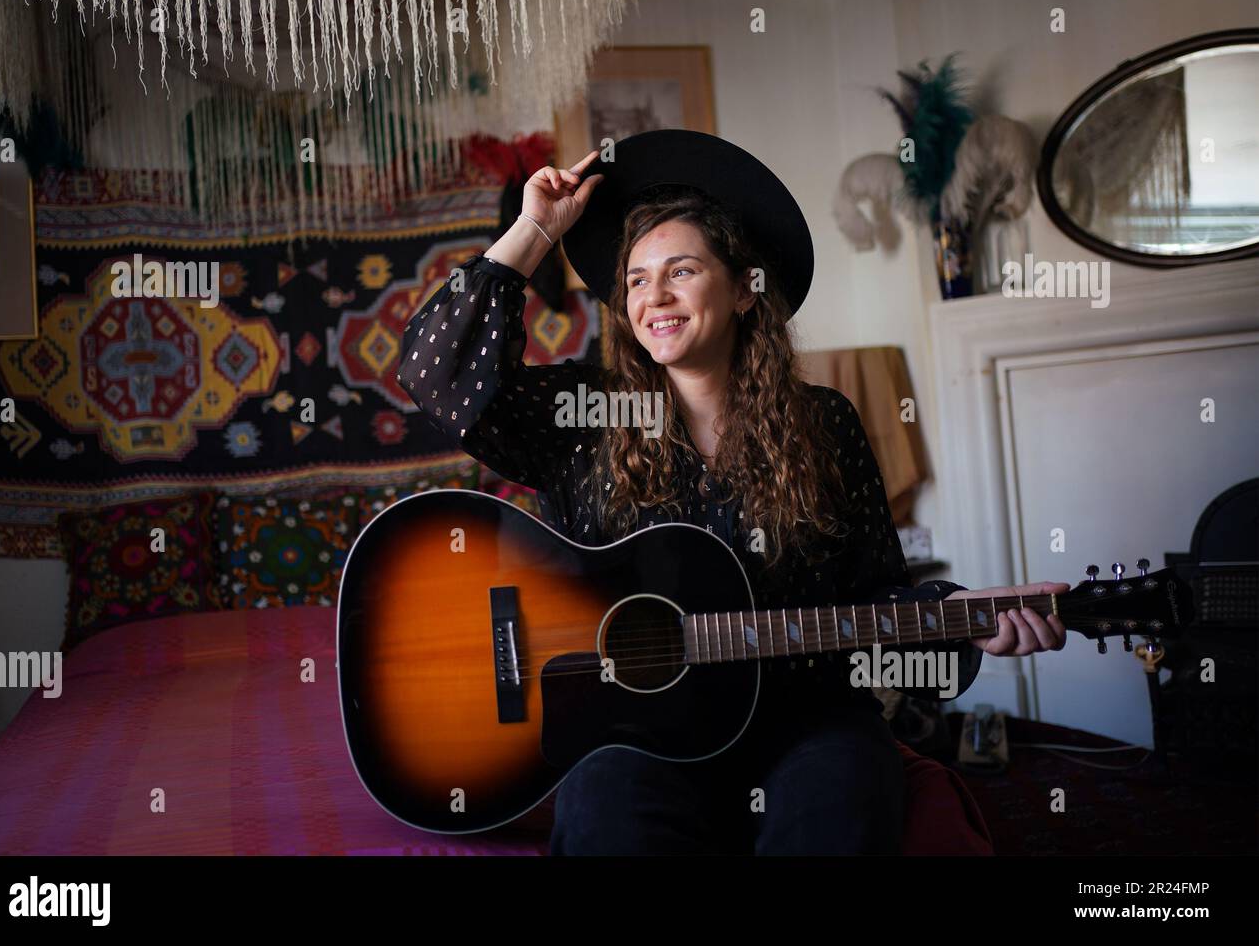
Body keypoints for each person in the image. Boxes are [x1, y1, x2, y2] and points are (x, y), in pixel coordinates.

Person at [395, 130, 1068, 855]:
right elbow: (436, 376)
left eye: (681, 271)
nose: (655, 296)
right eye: (637, 280)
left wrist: (959, 621)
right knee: (604, 818)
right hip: (634, 727)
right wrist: (532, 232)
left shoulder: (826, 423)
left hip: (805, 719)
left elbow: (877, 598)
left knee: (840, 807)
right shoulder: (583, 415)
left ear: (746, 290)